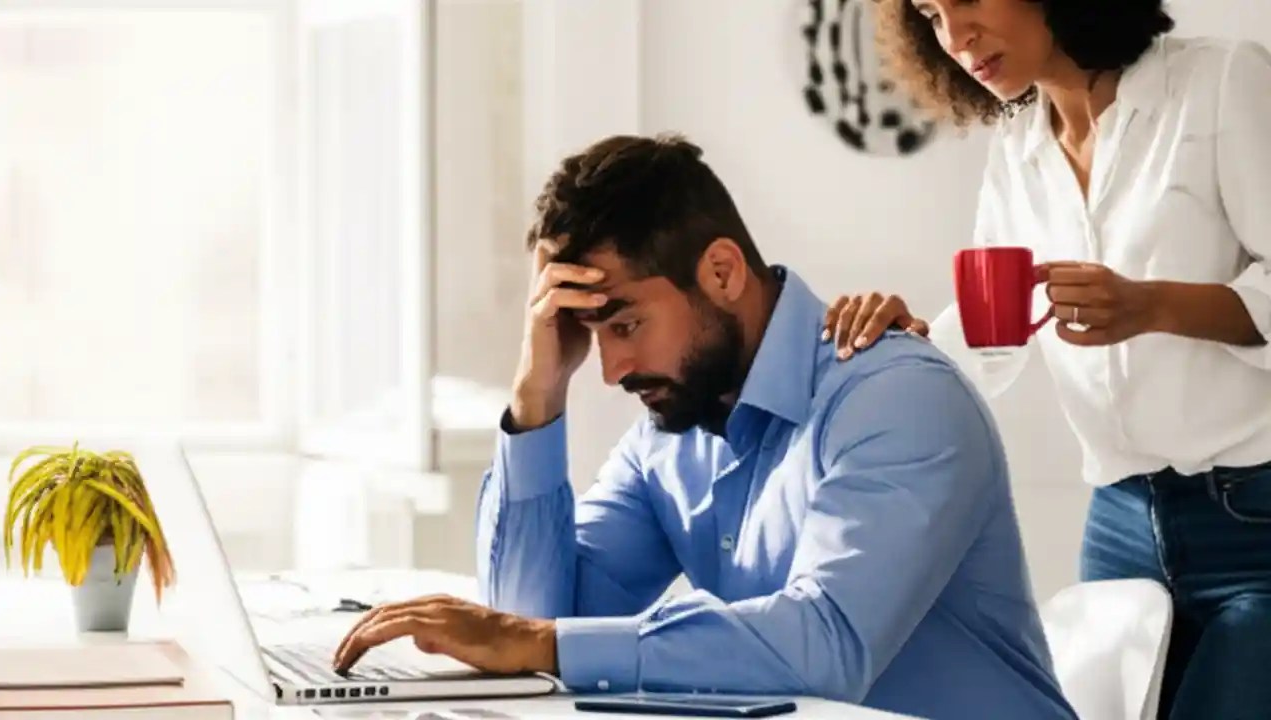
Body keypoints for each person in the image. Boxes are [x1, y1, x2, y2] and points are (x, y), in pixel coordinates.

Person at [332, 134, 1076, 719]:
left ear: (721, 273)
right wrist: (538, 392)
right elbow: (532, 626)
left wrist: (537, 642)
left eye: (625, 324)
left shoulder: (895, 397)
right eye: (593, 333)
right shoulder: (670, 436)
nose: (612, 369)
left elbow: (828, 643)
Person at [822, 2, 1271, 718]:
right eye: (931, 14)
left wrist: (1152, 305)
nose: (955, 36)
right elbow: (991, 338)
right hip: (1120, 527)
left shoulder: (1221, 84)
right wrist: (911, 350)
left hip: (1251, 524)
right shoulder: (1019, 149)